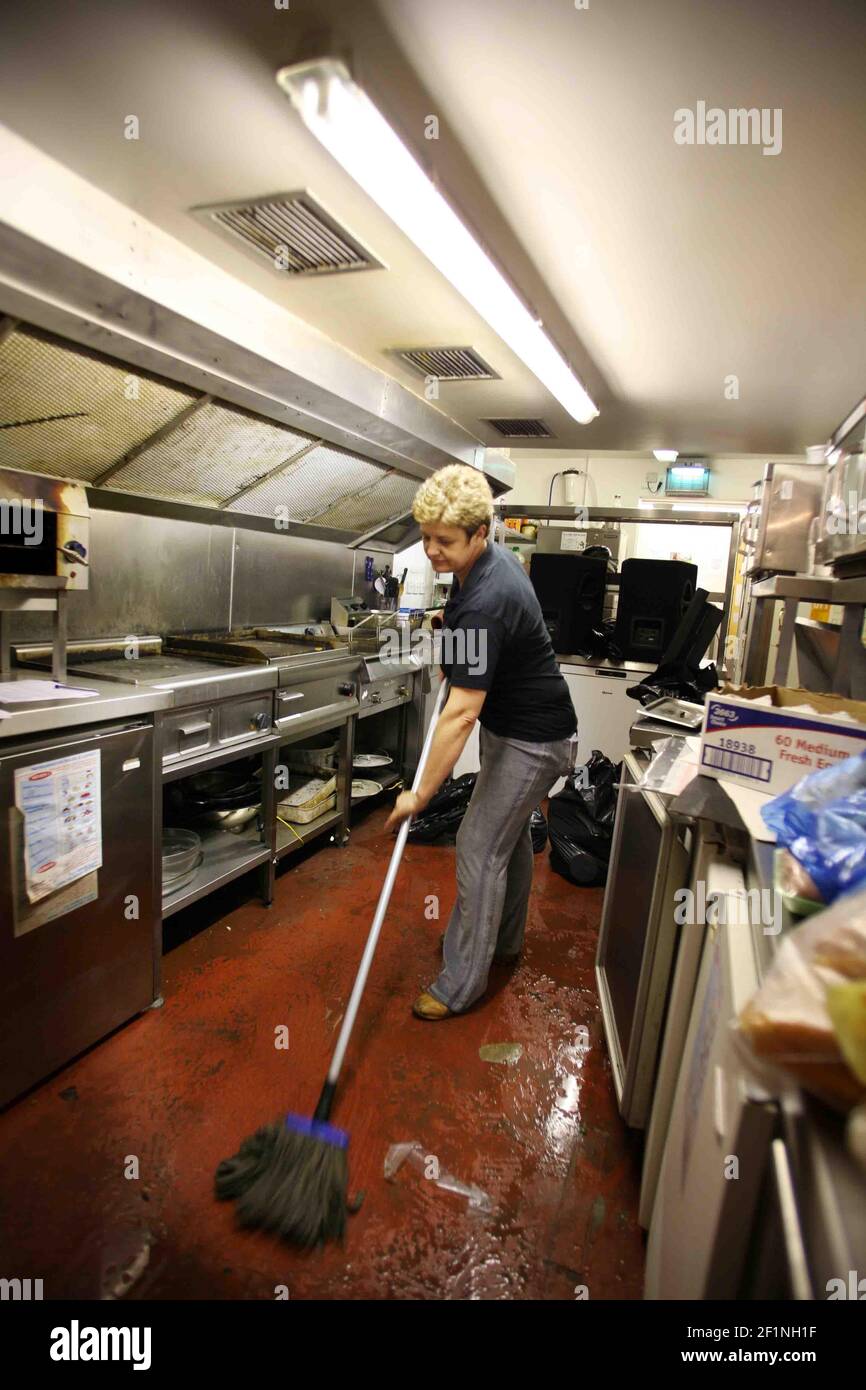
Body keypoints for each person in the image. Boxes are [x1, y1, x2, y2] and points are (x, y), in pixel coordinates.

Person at [385, 464, 578, 1019]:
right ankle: (504, 944)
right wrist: (456, 628)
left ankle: (460, 984)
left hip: (533, 740)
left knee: (477, 845)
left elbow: (461, 713)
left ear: (479, 534)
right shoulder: (484, 574)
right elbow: (485, 638)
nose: (431, 551)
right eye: (425, 537)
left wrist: (419, 795)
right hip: (518, 727)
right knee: (507, 840)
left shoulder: (488, 595)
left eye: (444, 541)